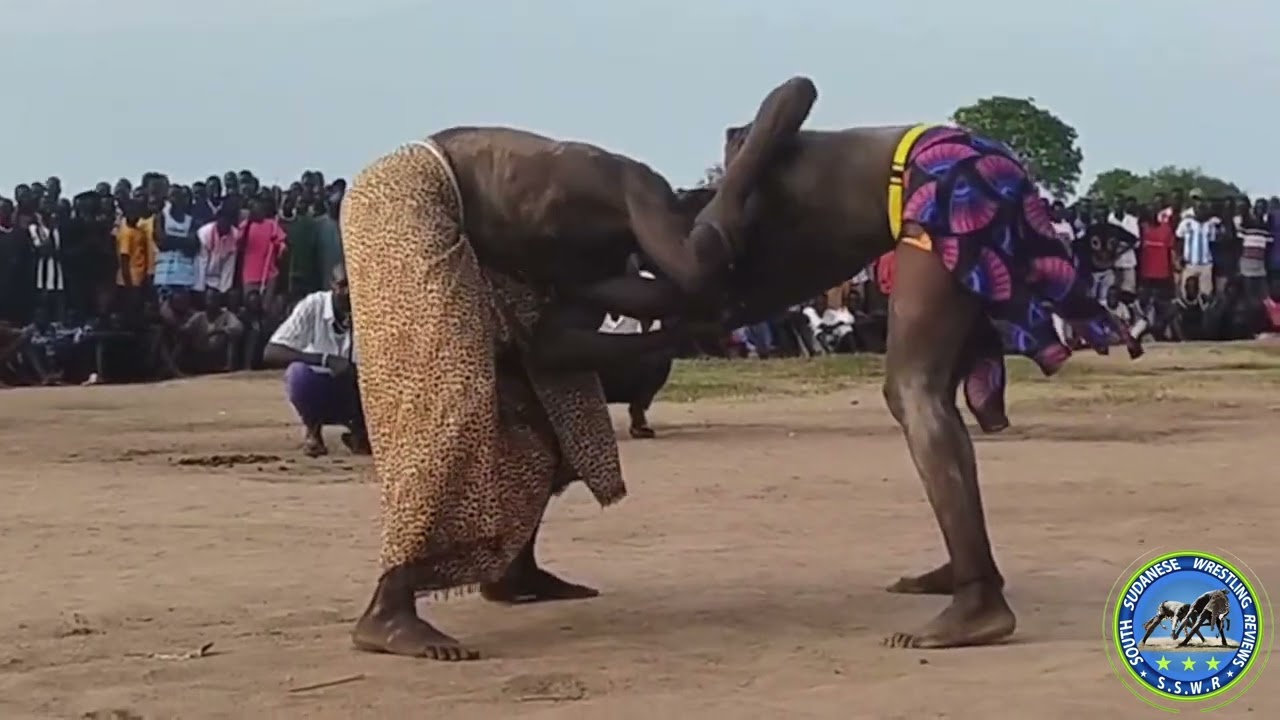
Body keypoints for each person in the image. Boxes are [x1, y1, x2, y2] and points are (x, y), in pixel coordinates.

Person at [562, 78, 1143, 651]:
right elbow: (733, 297)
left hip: (940, 177)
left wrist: (733, 190)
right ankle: (967, 566)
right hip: (952, 173)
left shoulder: (740, 174)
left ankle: (979, 593)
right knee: (918, 389)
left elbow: (798, 89)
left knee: (915, 390)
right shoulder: (758, 262)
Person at [337, 80, 803, 661]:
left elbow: (559, 351)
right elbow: (694, 273)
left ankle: (512, 568)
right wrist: (738, 194)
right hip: (413, 195)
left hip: (479, 236)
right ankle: (388, 606)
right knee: (450, 392)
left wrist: (672, 336)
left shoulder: (599, 254)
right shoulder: (638, 187)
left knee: (556, 403)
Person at [263, 265, 369, 458]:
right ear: (332, 285)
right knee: (298, 375)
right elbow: (272, 351)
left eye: (353, 286)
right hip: (320, 384)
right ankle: (313, 431)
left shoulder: (370, 311)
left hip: (356, 387)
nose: (347, 292)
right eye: (342, 285)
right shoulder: (313, 305)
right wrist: (325, 360)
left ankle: (360, 432)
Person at [595, 261, 673, 438]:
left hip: (631, 361)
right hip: (595, 362)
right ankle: (591, 419)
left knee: (660, 356)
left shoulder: (646, 285)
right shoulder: (586, 286)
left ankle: (638, 413)